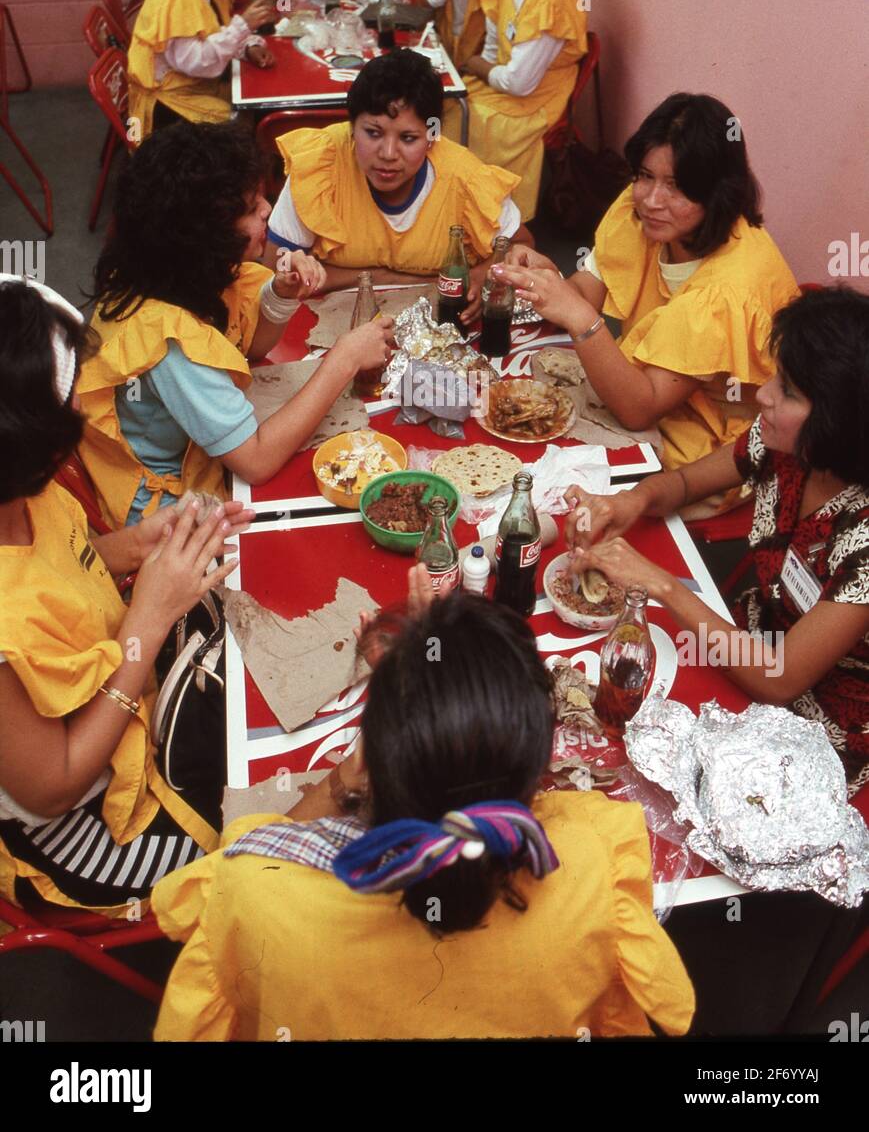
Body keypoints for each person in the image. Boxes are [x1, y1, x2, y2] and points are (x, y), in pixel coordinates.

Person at [151, 574, 694, 1039]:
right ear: (539, 767)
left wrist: (357, 763)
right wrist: (440, 698)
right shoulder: (594, 862)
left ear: (374, 756)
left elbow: (265, 854)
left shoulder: (253, 893)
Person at [0, 276, 250, 913]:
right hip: (79, 821)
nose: (84, 408)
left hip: (126, 698)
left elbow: (68, 566)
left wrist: (143, 543)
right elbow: (52, 788)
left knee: (245, 668)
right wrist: (150, 618)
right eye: (68, 399)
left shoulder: (24, 493)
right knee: (251, 860)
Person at [566, 287, 869, 797]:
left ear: (841, 420)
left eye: (789, 390)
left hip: (816, 725)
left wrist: (661, 584)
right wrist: (632, 501)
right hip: (745, 635)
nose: (764, 395)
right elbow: (685, 485)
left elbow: (780, 678)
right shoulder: (785, 443)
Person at [78, 121, 393, 530]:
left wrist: (280, 294)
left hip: (207, 457)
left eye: (262, 195)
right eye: (250, 207)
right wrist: (343, 360)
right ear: (201, 234)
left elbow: (249, 352)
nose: (267, 209)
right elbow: (257, 461)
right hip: (168, 519)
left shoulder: (172, 272)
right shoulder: (165, 337)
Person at [495, 93, 799, 500]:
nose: (652, 199)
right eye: (645, 175)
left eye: (677, 187)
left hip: (703, 445)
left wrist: (580, 319)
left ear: (719, 192)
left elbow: (639, 409)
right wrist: (545, 279)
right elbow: (588, 290)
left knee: (544, 485)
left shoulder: (727, 289)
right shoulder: (645, 211)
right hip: (638, 388)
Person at [263, 49, 534, 324]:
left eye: (408, 138)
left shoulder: (465, 179)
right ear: (351, 128)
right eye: (373, 133)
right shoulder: (321, 163)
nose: (389, 153)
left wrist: (483, 272)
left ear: (432, 138)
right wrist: (386, 277)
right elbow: (274, 266)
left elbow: (523, 245)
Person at [442, 0, 588, 221]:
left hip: (536, 97)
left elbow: (520, 83)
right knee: (444, 101)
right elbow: (494, 47)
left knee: (461, 122)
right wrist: (478, 68)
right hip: (504, 80)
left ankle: (482, 219)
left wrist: (476, 64)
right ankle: (449, 207)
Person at [129, 0, 275, 141]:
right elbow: (195, 61)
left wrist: (248, 47)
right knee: (248, 124)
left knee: (255, 100)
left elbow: (212, 34)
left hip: (191, 87)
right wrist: (243, 26)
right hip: (168, 108)